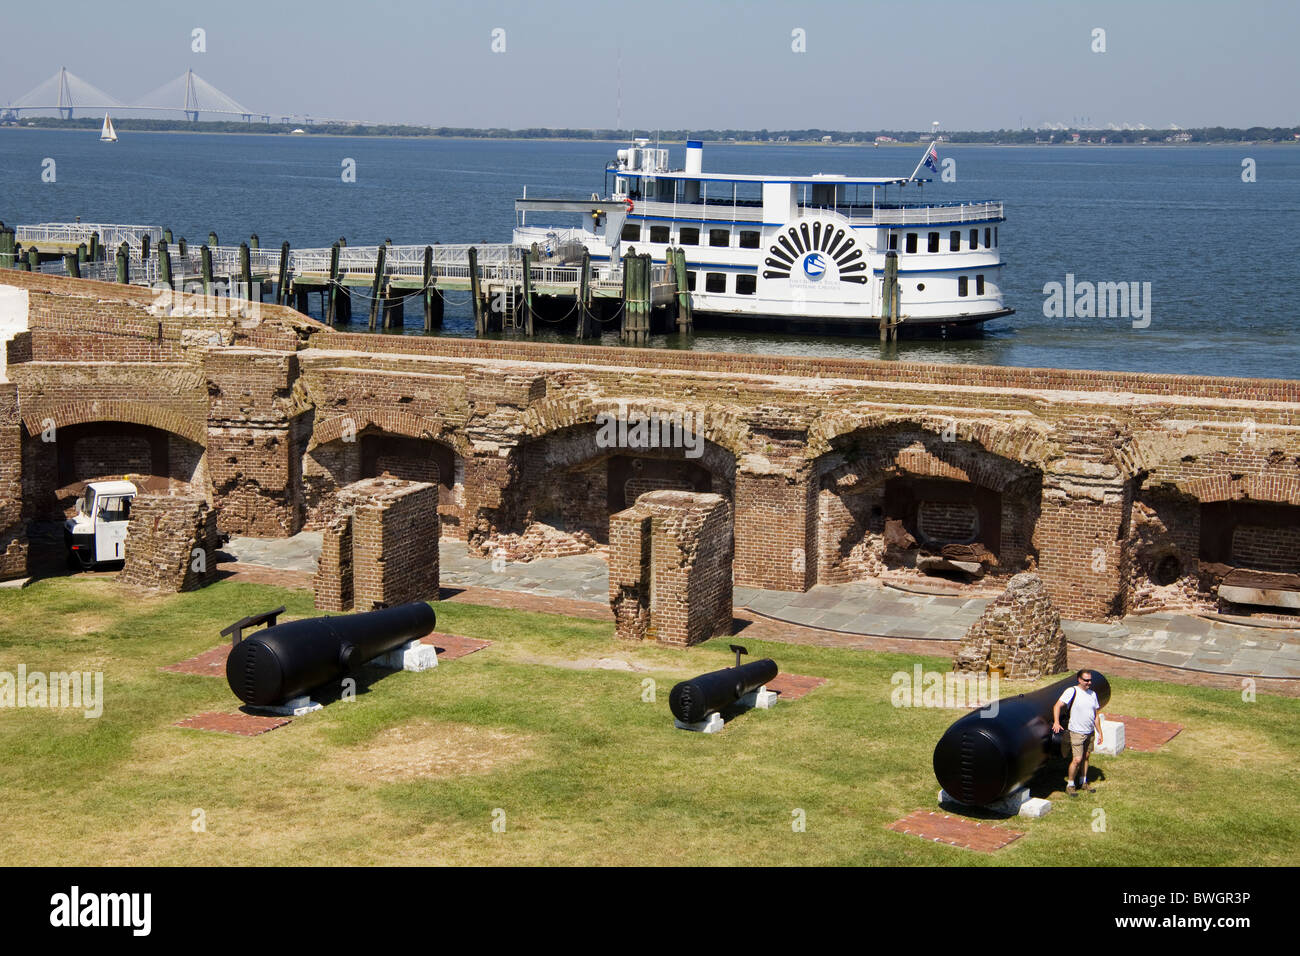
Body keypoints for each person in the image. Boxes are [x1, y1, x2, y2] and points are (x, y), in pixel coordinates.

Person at [1052, 669, 1104, 796]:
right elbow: (1057, 706)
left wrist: (1100, 732)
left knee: (1086, 756)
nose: (1089, 683)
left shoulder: (1093, 694)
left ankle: (1083, 781)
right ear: (1079, 680)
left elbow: (1095, 715)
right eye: (1086, 680)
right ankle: (1070, 785)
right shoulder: (1072, 691)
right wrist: (1056, 722)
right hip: (1076, 731)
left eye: (1090, 680)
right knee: (1077, 759)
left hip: (1089, 732)